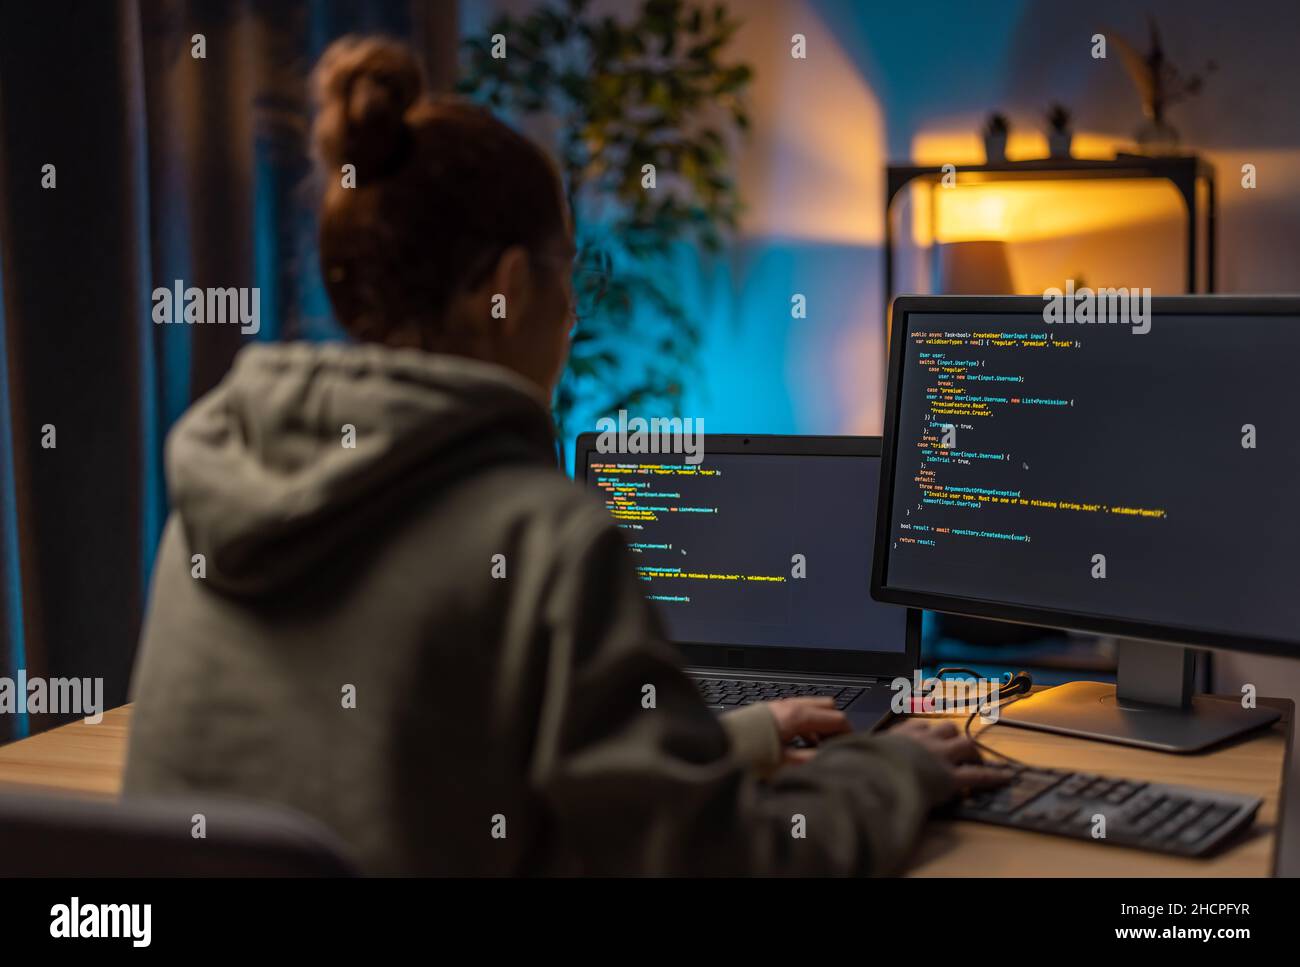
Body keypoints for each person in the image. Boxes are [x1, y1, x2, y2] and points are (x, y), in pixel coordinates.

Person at [123, 35, 1001, 875]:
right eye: (568, 272)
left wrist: (729, 739)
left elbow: (421, 774)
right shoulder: (538, 541)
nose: (575, 310)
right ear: (508, 287)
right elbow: (728, 862)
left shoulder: (220, 487)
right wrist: (897, 773)